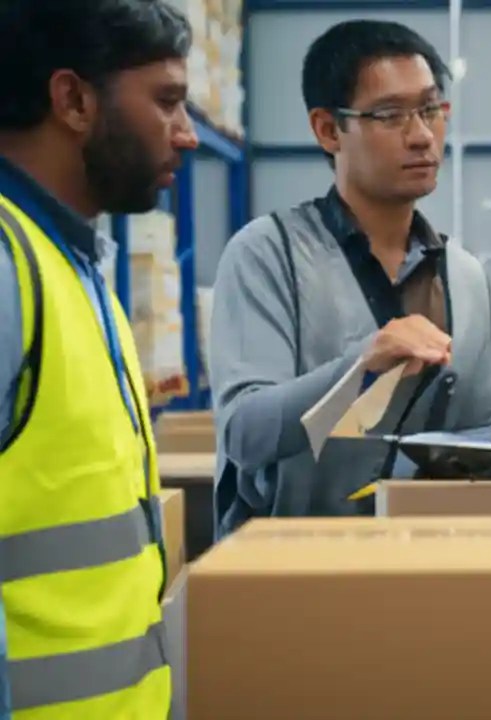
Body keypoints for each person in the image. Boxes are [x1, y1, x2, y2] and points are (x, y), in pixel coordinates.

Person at [210, 20, 491, 539]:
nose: (422, 135)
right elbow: (245, 434)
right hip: (289, 570)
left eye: (431, 110)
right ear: (327, 129)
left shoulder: (465, 276)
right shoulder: (270, 255)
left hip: (424, 567)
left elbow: (483, 440)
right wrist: (360, 367)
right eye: (390, 115)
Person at [0, 0, 198, 716]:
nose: (188, 135)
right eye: (168, 102)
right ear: (73, 100)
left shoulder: (78, 271)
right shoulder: (11, 268)